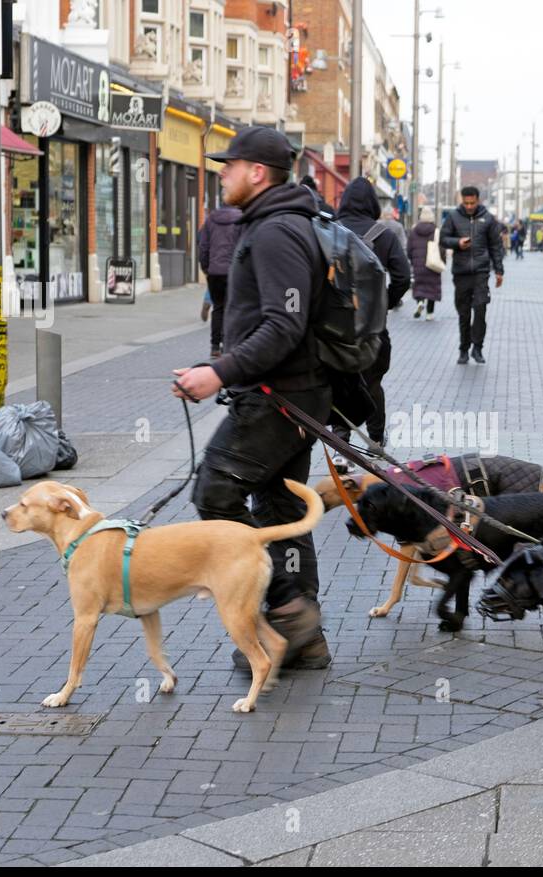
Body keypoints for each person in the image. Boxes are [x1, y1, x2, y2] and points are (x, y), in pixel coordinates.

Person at [173, 127, 331, 672]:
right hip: (292, 396)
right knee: (281, 506)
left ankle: (288, 611)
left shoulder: (275, 232)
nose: (222, 173)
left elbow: (284, 324)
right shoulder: (282, 223)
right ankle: (303, 635)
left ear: (257, 172)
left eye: (229, 165)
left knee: (214, 494)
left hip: (276, 400)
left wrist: (217, 372)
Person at [334, 177, 410, 447]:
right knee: (372, 382)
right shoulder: (385, 235)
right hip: (373, 327)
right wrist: (385, 303)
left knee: (340, 380)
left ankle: (341, 437)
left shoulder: (329, 230)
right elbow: (403, 277)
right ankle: (376, 440)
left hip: (335, 326)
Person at [439, 185, 504, 365]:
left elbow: (496, 246)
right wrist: (458, 243)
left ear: (478, 200)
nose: (469, 206)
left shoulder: (488, 218)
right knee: (464, 312)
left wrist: (499, 270)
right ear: (462, 200)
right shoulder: (453, 217)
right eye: (466, 202)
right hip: (461, 272)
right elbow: (443, 239)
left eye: (472, 203)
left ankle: (478, 347)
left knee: (480, 308)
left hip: (481, 271)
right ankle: (463, 349)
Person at [197, 202, 243, 358]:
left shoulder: (211, 219)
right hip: (234, 271)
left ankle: (215, 347)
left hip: (215, 271)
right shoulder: (241, 219)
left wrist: (205, 267)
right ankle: (228, 344)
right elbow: (244, 246)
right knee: (233, 308)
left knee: (218, 308)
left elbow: (203, 246)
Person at [407, 205, 443, 319]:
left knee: (419, 286)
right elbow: (442, 248)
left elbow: (409, 248)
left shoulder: (414, 231)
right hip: (432, 264)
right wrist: (443, 261)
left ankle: (420, 302)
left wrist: (412, 260)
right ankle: (429, 313)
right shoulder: (436, 230)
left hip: (418, 264)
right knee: (432, 287)